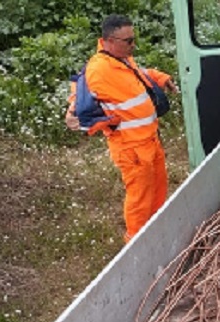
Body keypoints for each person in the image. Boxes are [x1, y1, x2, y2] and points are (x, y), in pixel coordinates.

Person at [65, 14, 178, 243]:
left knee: (157, 192)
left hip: (149, 140)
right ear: (108, 40)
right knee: (140, 199)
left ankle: (155, 237)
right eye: (128, 41)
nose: (133, 44)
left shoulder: (122, 58)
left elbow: (140, 75)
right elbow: (81, 90)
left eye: (133, 39)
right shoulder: (98, 69)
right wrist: (72, 112)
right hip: (131, 147)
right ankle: (136, 246)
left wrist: (161, 77)